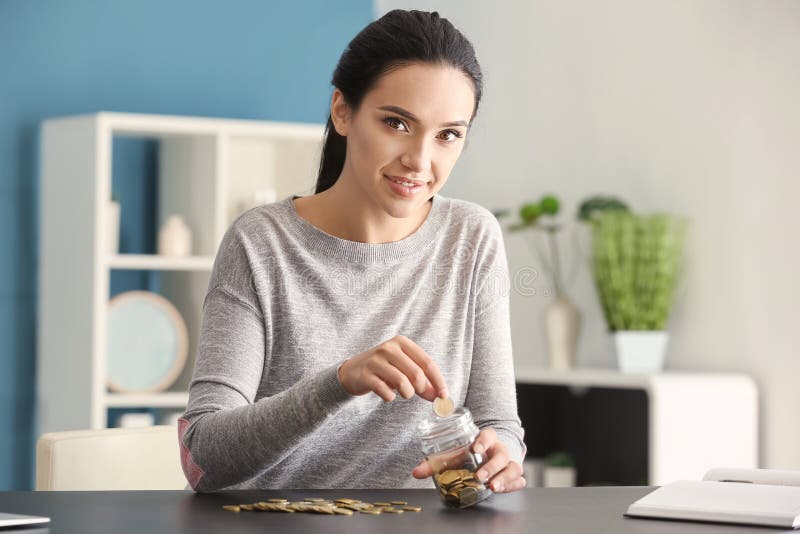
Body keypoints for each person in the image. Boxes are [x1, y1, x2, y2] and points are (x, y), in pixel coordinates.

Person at [178, 9, 526, 493]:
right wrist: (338, 381)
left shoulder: (472, 237)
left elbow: (499, 421)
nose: (420, 160)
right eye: (397, 123)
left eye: (448, 134)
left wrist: (498, 454)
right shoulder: (261, 244)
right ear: (343, 110)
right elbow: (204, 457)